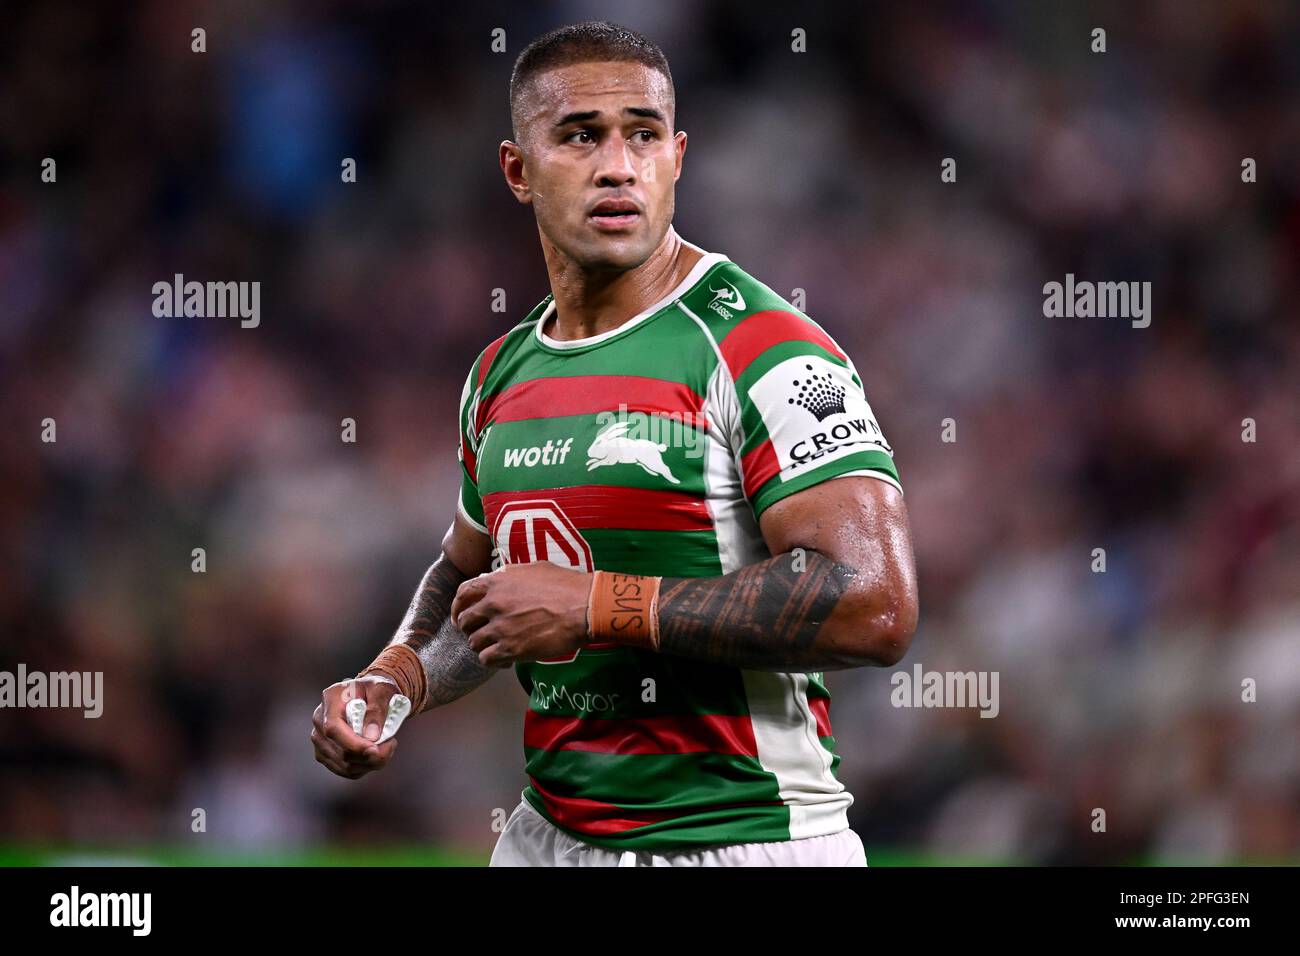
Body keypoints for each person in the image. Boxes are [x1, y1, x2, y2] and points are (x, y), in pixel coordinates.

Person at [311, 19, 918, 867]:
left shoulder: (762, 348)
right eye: (579, 136)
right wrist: (395, 680)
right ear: (518, 170)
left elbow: (875, 604)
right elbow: (473, 577)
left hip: (743, 838)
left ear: (676, 157)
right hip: (548, 838)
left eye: (641, 135)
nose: (617, 166)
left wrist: (596, 604)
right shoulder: (499, 374)